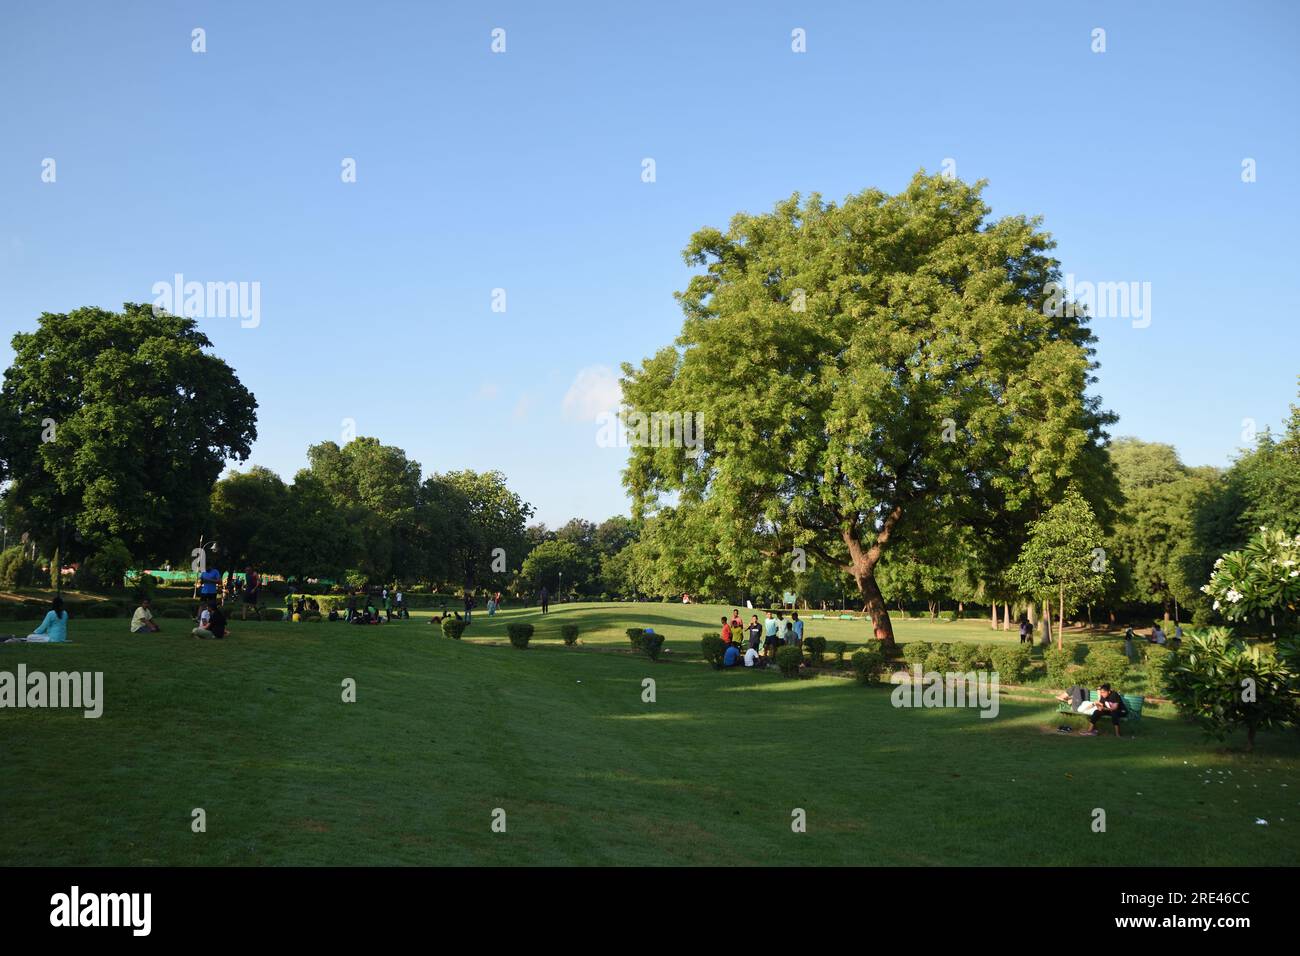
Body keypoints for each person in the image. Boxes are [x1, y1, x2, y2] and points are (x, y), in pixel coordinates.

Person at [5, 597, 69, 643]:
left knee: (30, 636)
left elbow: (43, 626)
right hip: (62, 638)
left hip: (53, 639)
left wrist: (35, 632)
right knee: (41, 635)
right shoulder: (65, 613)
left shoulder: (51, 613)